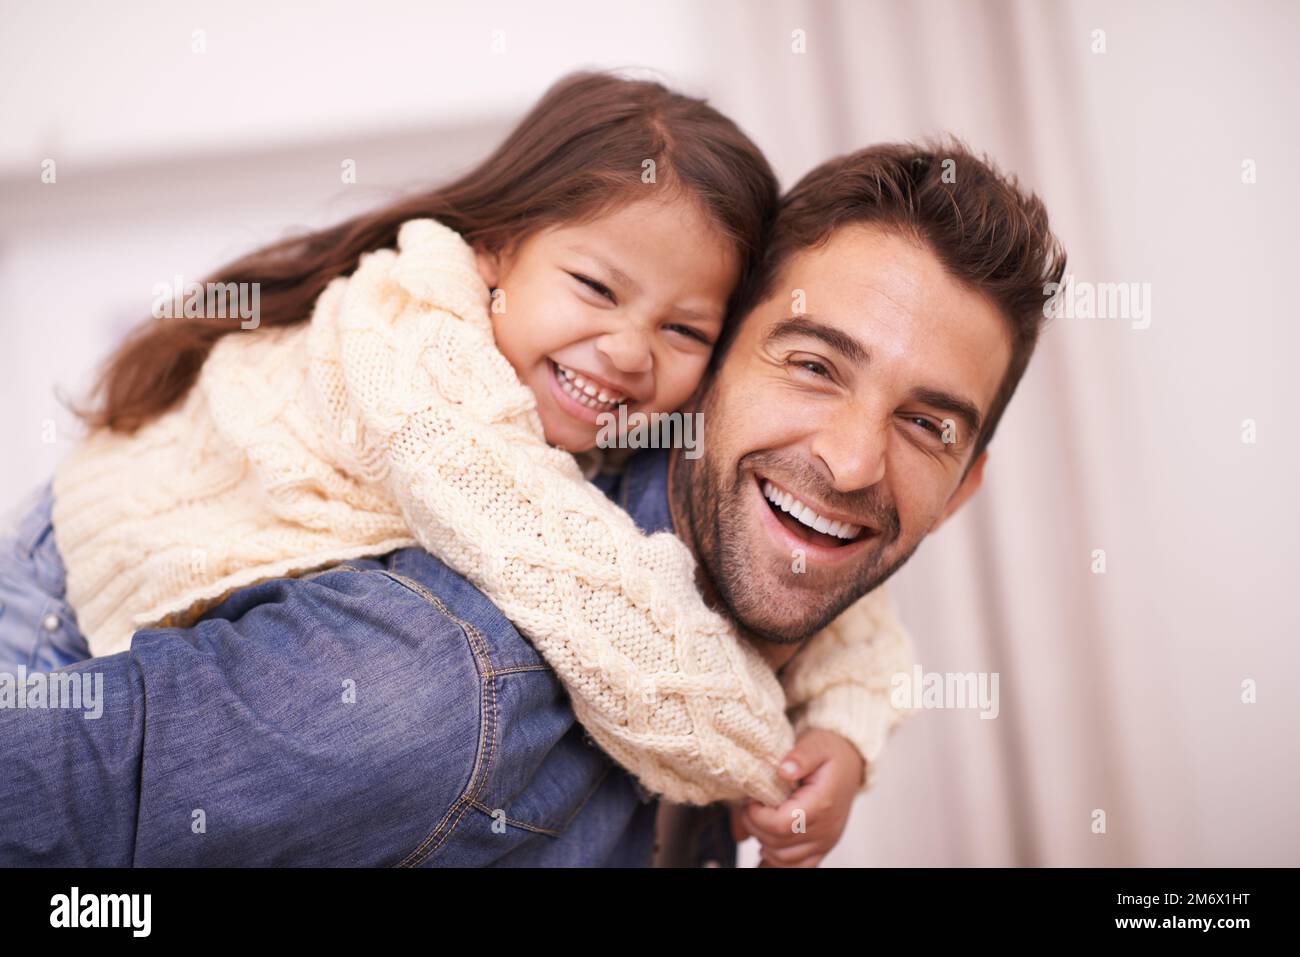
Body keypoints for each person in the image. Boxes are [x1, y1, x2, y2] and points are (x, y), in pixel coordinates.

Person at [0, 136, 1064, 867]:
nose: (847, 460)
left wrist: (849, 733)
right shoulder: (441, 688)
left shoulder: (756, 655)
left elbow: (863, 654)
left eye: (927, 424)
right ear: (719, 364)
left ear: (964, 485)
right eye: (812, 365)